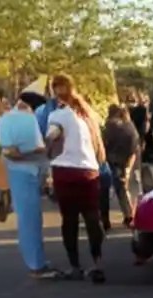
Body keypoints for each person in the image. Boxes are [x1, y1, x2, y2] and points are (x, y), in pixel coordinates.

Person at [45, 74, 108, 283]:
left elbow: (53, 136)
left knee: (69, 220)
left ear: (55, 92)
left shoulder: (57, 115)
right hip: (89, 170)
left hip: (65, 171)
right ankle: (97, 263)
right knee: (92, 217)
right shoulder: (87, 114)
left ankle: (75, 266)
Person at [0, 96, 60, 279]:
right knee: (30, 220)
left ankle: (36, 261)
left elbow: (7, 150)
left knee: (29, 219)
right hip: (26, 172)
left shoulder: (7, 118)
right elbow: (15, 151)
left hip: (20, 172)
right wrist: (40, 150)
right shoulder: (26, 119)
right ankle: (37, 266)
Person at [102, 104, 139, 227]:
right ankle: (129, 214)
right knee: (124, 187)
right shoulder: (129, 125)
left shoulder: (110, 126)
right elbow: (135, 143)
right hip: (127, 158)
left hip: (114, 160)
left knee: (117, 188)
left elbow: (105, 142)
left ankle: (129, 215)